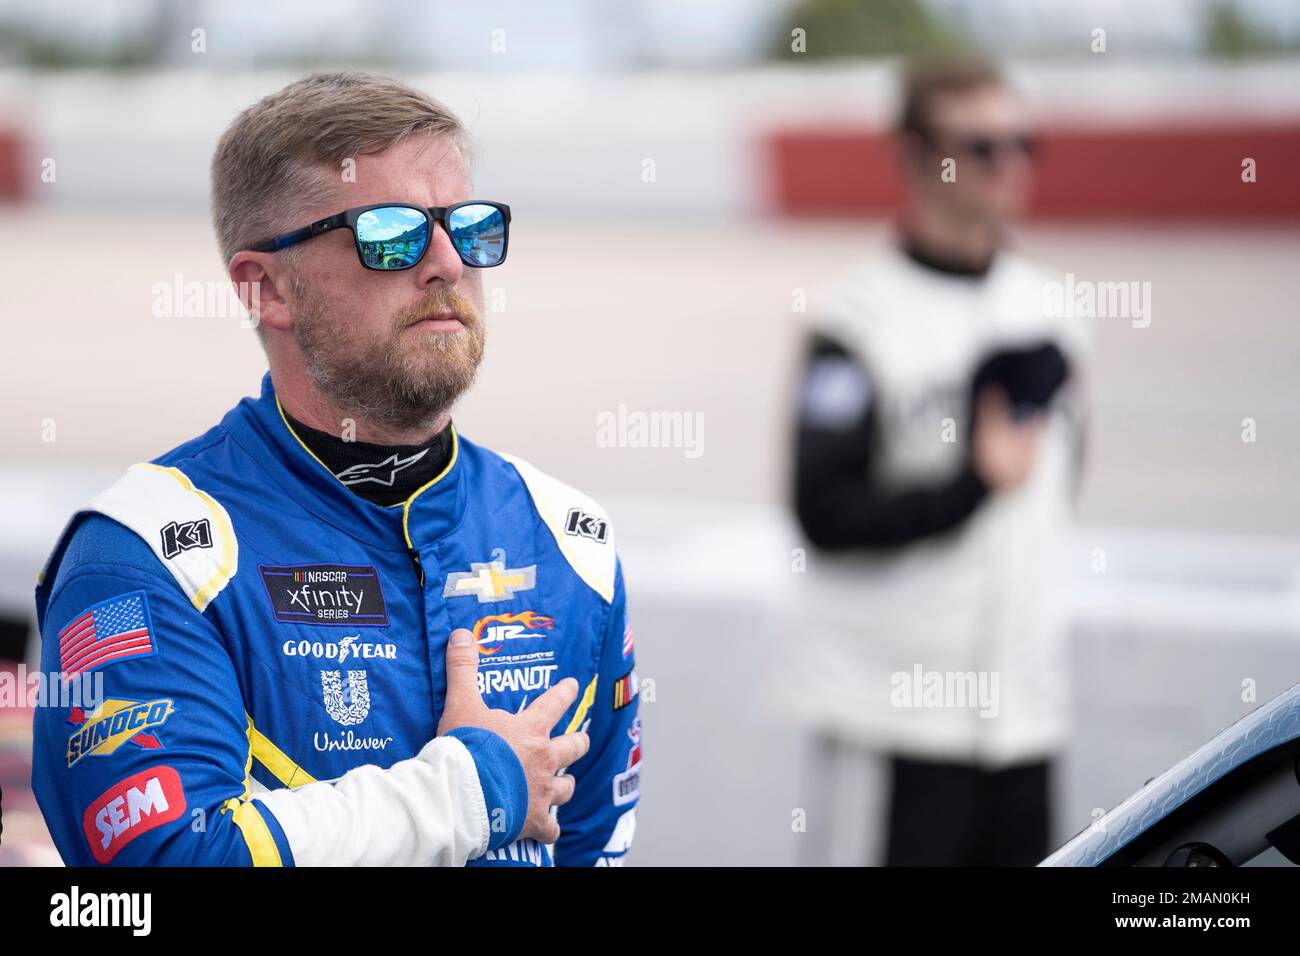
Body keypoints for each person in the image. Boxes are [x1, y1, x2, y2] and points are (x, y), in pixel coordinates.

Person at [31, 73, 640, 867]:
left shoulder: (571, 546)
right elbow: (170, 862)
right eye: (391, 233)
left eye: (470, 227)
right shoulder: (143, 560)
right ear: (268, 288)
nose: (449, 264)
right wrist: (468, 791)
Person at [789, 55, 1088, 866]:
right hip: (895, 721)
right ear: (918, 157)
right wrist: (973, 486)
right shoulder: (855, 319)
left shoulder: (1054, 307)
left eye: (1025, 143)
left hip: (1025, 716)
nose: (1011, 165)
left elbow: (1058, 498)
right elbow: (824, 513)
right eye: (983, 146)